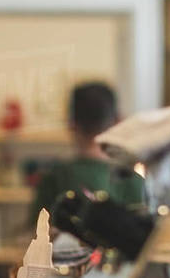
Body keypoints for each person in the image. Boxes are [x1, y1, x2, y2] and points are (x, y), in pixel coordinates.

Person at [29, 81, 145, 225]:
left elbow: (35, 235)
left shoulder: (54, 179)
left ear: (72, 124)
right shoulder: (135, 183)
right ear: (117, 121)